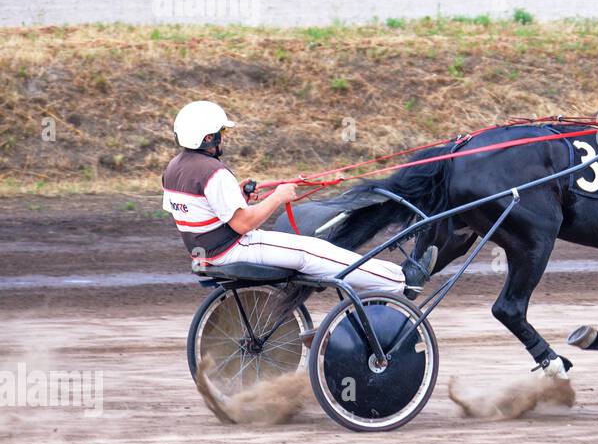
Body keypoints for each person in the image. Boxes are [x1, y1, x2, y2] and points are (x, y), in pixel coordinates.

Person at [162, 100, 421, 299]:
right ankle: (399, 280)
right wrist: (278, 196)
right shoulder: (214, 172)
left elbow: (196, 211)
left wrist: (238, 197)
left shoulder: (173, 168)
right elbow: (243, 224)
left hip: (206, 253)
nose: (224, 138)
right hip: (232, 249)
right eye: (221, 132)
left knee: (311, 252)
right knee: (312, 250)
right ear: (209, 138)